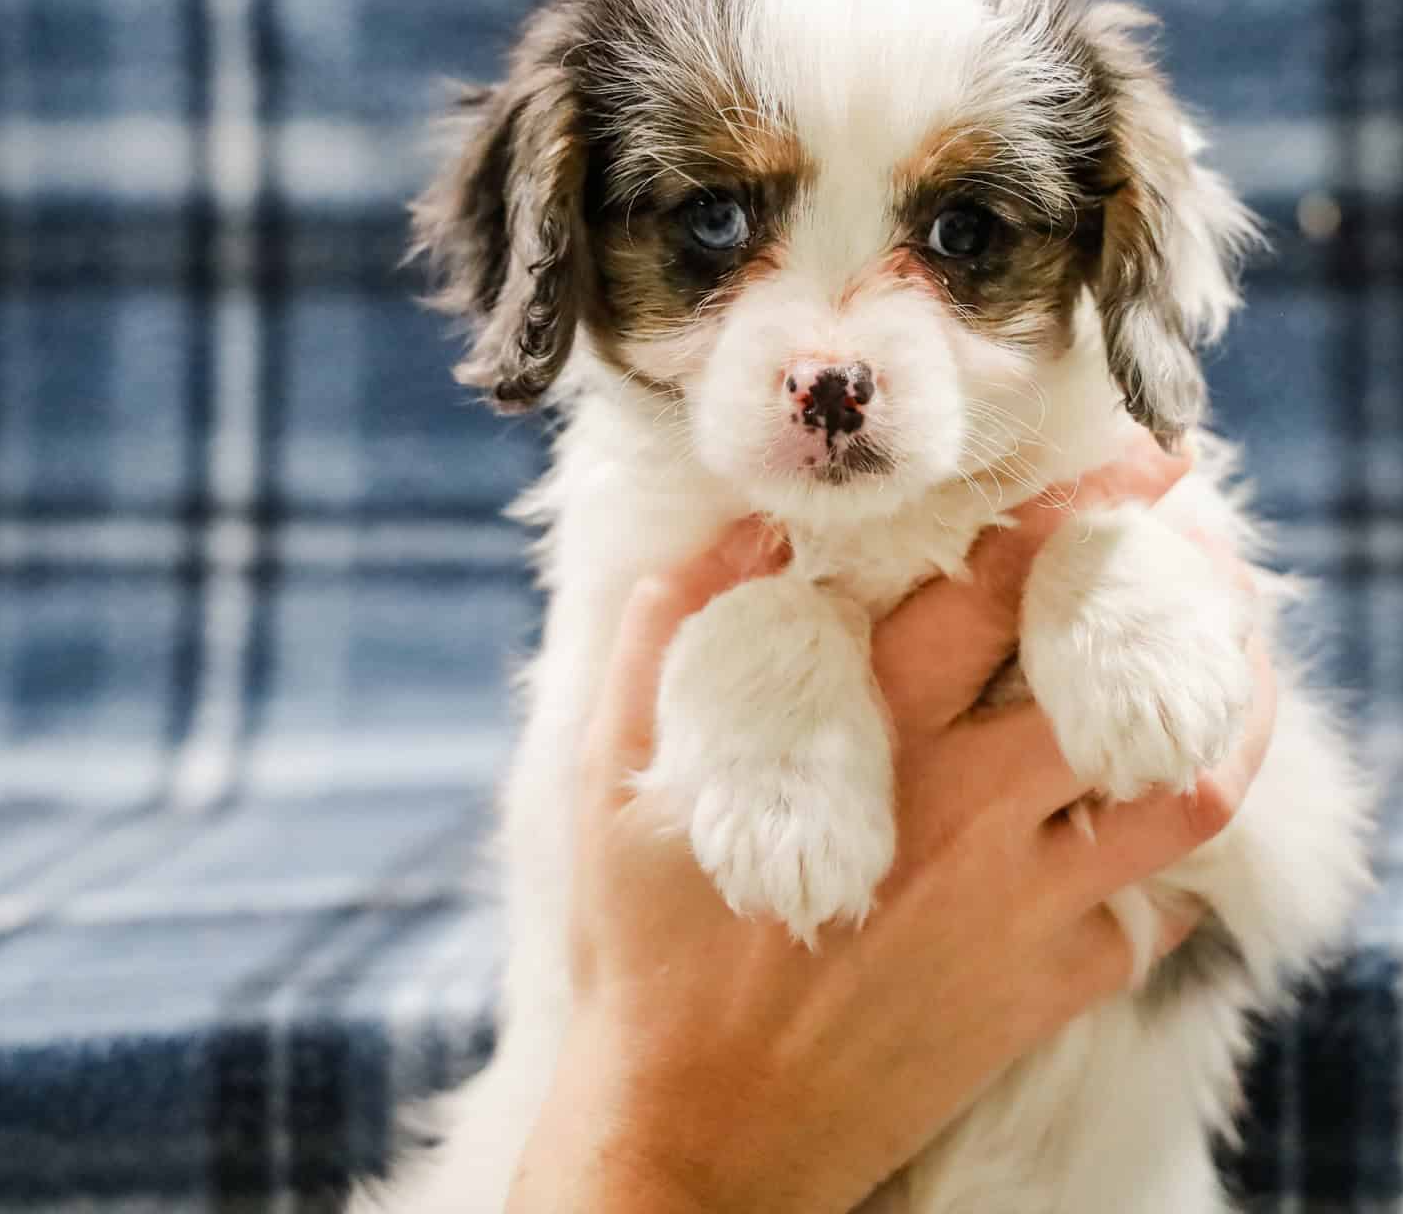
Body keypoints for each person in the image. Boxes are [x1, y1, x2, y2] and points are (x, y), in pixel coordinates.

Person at [507, 440, 1277, 1214]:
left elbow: (1265, 848)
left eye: (961, 303)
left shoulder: (1110, 498)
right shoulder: (639, 514)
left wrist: (1108, 576)